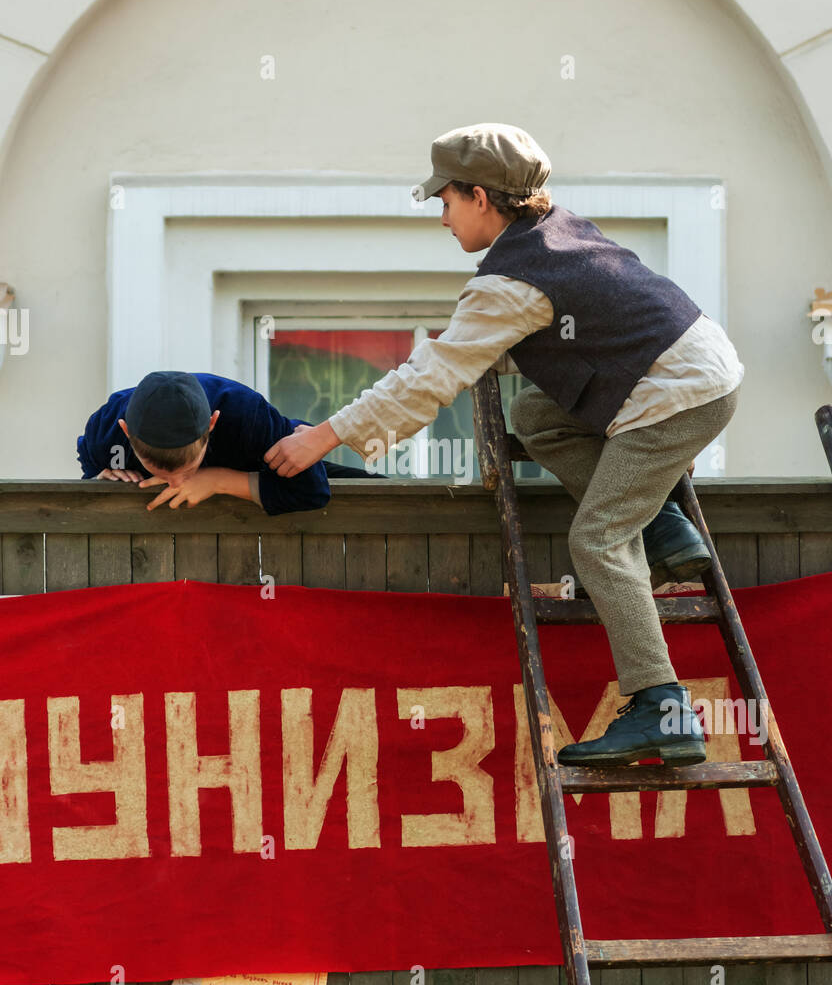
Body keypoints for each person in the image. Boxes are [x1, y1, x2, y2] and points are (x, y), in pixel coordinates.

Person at [263, 123, 745, 766]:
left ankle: (662, 707)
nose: (441, 218)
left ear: (481, 197)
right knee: (538, 414)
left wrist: (325, 437)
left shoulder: (509, 281)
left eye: (445, 201)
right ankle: (660, 523)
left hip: (675, 394)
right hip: (688, 369)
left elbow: (429, 379)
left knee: (598, 539)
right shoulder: (556, 232)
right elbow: (564, 335)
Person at [77, 369, 369, 515]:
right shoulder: (106, 432)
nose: (178, 483)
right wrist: (100, 474)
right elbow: (89, 459)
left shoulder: (245, 412)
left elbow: (312, 490)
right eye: (164, 473)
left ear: (212, 424)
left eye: (188, 470)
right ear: (126, 432)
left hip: (269, 461)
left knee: (374, 484)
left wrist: (217, 480)